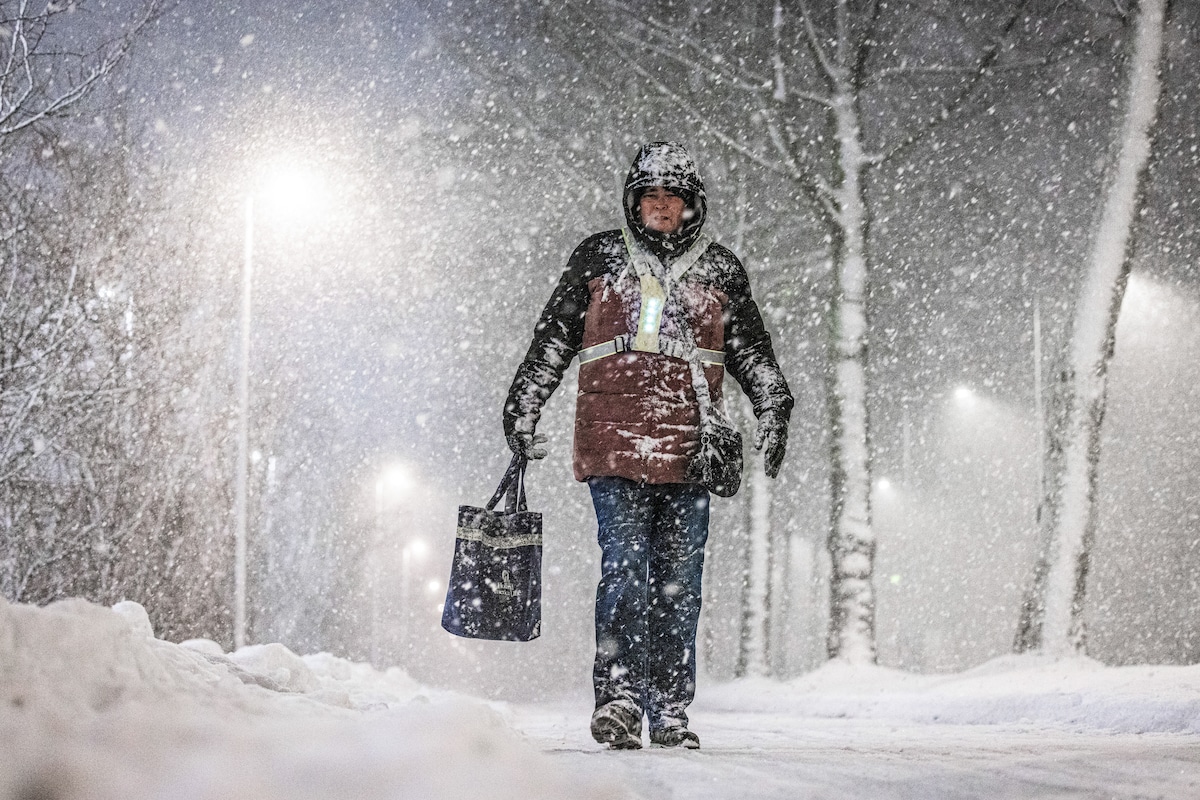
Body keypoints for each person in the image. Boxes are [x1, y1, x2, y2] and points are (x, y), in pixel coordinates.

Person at [503, 141, 792, 750]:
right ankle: (620, 696)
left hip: (691, 447)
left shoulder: (721, 269)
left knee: (679, 583)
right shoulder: (599, 257)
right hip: (613, 443)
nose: (662, 206)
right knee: (627, 569)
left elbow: (749, 351)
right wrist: (525, 404)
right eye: (651, 195)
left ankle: (668, 708)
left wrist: (772, 399)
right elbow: (553, 339)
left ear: (692, 204)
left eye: (674, 196)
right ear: (634, 200)